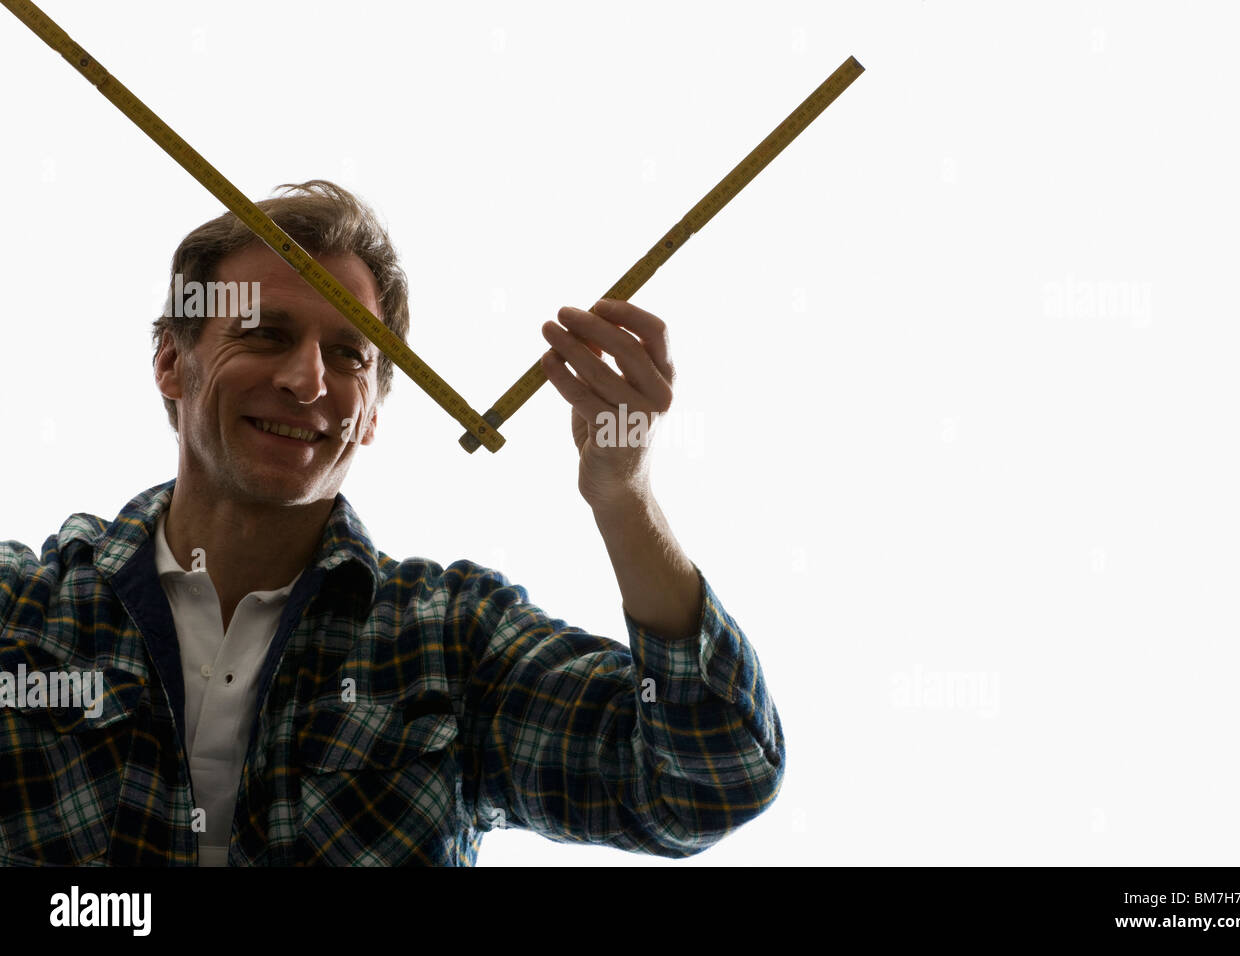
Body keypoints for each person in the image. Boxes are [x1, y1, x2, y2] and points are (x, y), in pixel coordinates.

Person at [0, 180, 785, 866]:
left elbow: (712, 780)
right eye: (266, 334)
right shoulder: (20, 615)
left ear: (372, 413)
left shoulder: (452, 643)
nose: (308, 381)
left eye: (349, 356)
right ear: (173, 363)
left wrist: (624, 494)